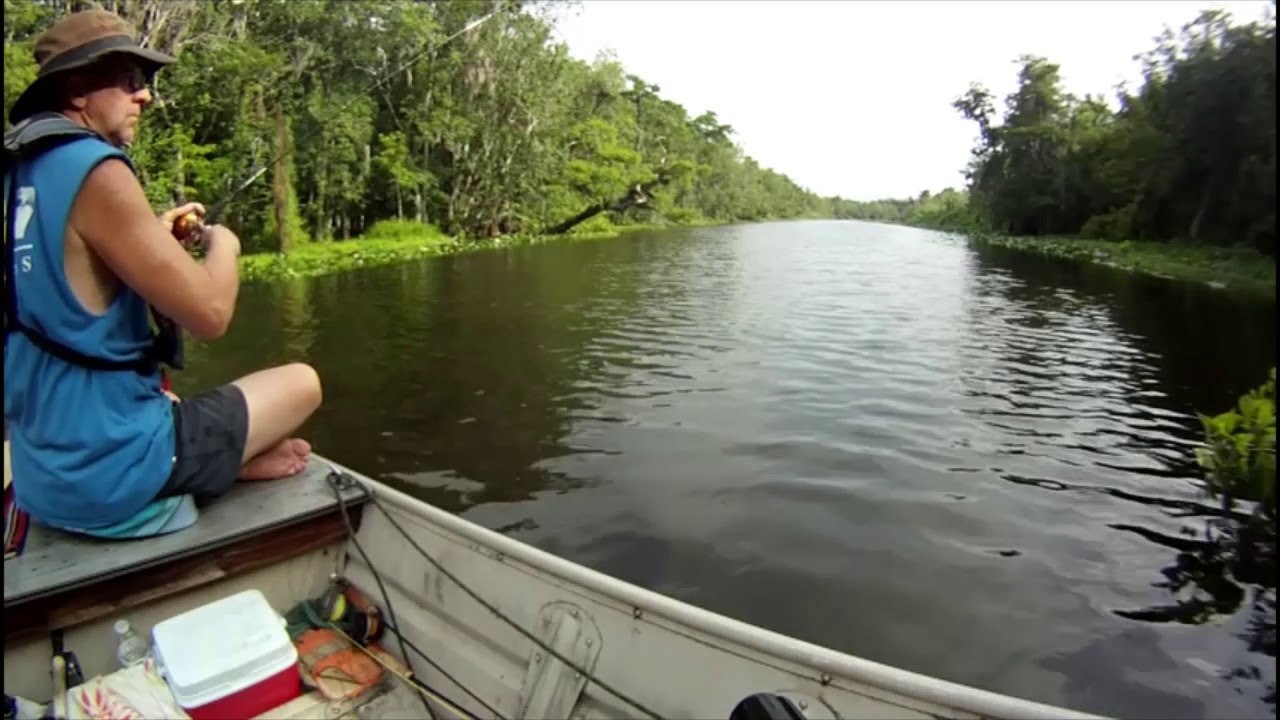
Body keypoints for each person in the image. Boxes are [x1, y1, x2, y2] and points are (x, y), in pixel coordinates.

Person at [3, 9, 321, 535]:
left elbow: (63, 274)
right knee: (302, 384)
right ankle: (215, 468)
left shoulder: (19, 171)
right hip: (110, 477)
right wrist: (225, 246)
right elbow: (210, 314)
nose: (145, 95)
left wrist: (148, 235)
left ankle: (215, 462)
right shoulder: (95, 166)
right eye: (130, 80)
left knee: (168, 397)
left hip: (45, 476)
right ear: (79, 92)